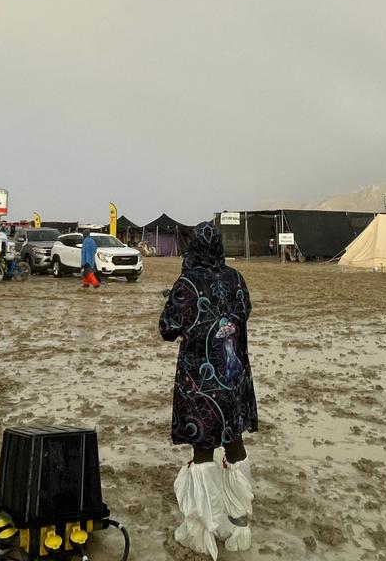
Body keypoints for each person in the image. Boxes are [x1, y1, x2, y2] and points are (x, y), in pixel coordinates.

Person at [160, 220, 258, 557]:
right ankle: (240, 523)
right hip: (233, 377)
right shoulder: (236, 278)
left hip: (200, 384)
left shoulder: (187, 282)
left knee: (203, 450)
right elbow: (243, 313)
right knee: (234, 442)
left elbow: (168, 328)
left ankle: (204, 531)